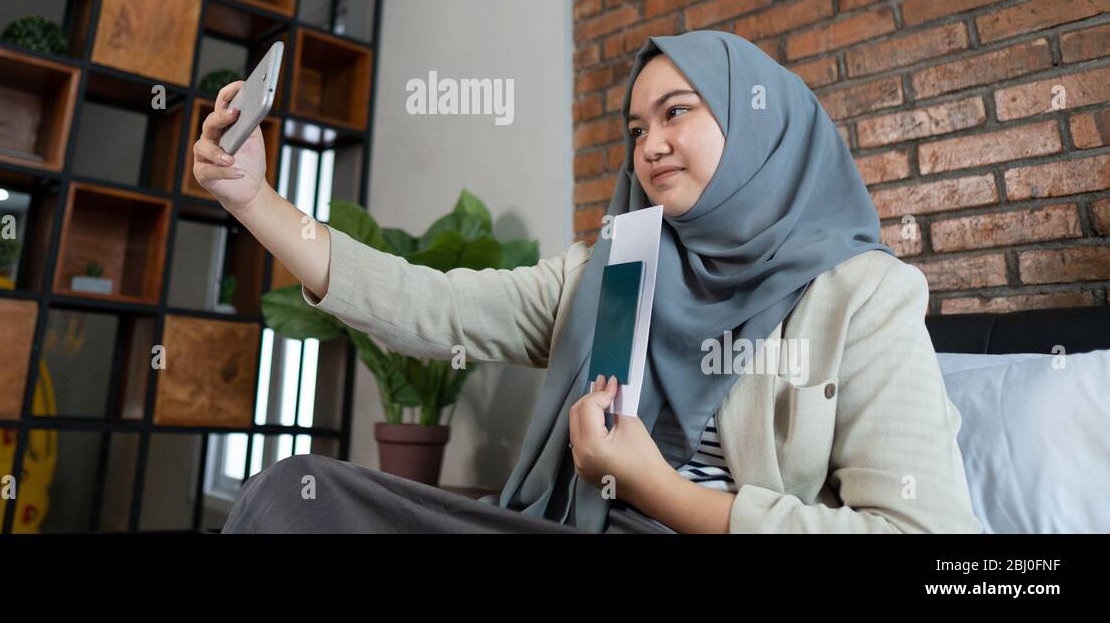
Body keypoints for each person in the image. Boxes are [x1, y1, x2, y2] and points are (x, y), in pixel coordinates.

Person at [194, 31, 982, 534]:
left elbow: (926, 539)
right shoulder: (617, 268)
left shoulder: (863, 297)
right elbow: (433, 309)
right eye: (637, 129)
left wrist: (659, 490)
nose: (652, 146)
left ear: (760, 128)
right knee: (298, 499)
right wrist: (251, 198)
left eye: (677, 113)